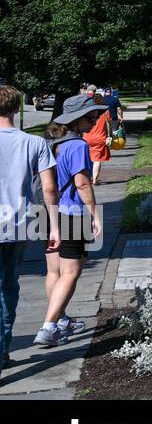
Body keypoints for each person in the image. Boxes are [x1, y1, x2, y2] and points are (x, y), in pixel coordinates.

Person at [34, 96, 103, 348]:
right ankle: (49, 326)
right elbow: (82, 183)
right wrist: (95, 214)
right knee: (71, 272)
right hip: (72, 215)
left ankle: (61, 320)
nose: (95, 121)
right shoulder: (78, 145)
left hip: (47, 212)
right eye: (90, 117)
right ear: (75, 119)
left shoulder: (50, 141)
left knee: (54, 272)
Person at [0, 86, 58, 371]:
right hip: (18, 225)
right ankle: (3, 346)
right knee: (8, 285)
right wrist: (55, 225)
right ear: (16, 108)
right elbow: (49, 188)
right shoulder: (35, 144)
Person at [83, 90, 113, 186]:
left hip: (87, 137)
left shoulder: (88, 111)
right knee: (97, 159)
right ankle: (95, 179)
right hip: (100, 137)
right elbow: (109, 124)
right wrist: (110, 135)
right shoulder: (105, 111)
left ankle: (88, 177)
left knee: (88, 158)